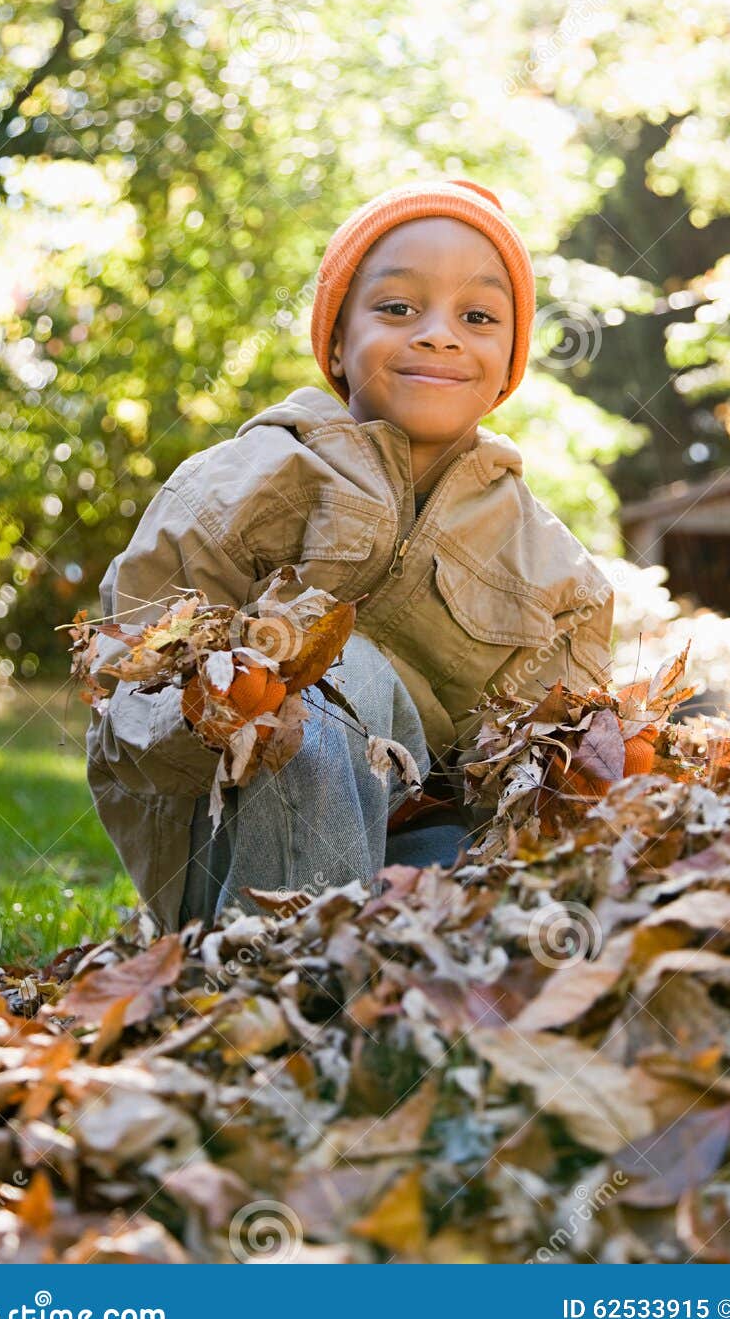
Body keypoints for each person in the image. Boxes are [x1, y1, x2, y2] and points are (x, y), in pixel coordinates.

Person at [85, 177, 614, 930]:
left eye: (478, 316)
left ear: (508, 364)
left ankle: (434, 1001)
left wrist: (567, 762)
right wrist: (221, 710)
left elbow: (547, 774)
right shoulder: (232, 489)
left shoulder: (553, 569)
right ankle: (288, 976)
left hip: (431, 862)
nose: (439, 334)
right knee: (335, 662)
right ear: (336, 339)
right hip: (239, 866)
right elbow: (124, 707)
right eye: (398, 308)